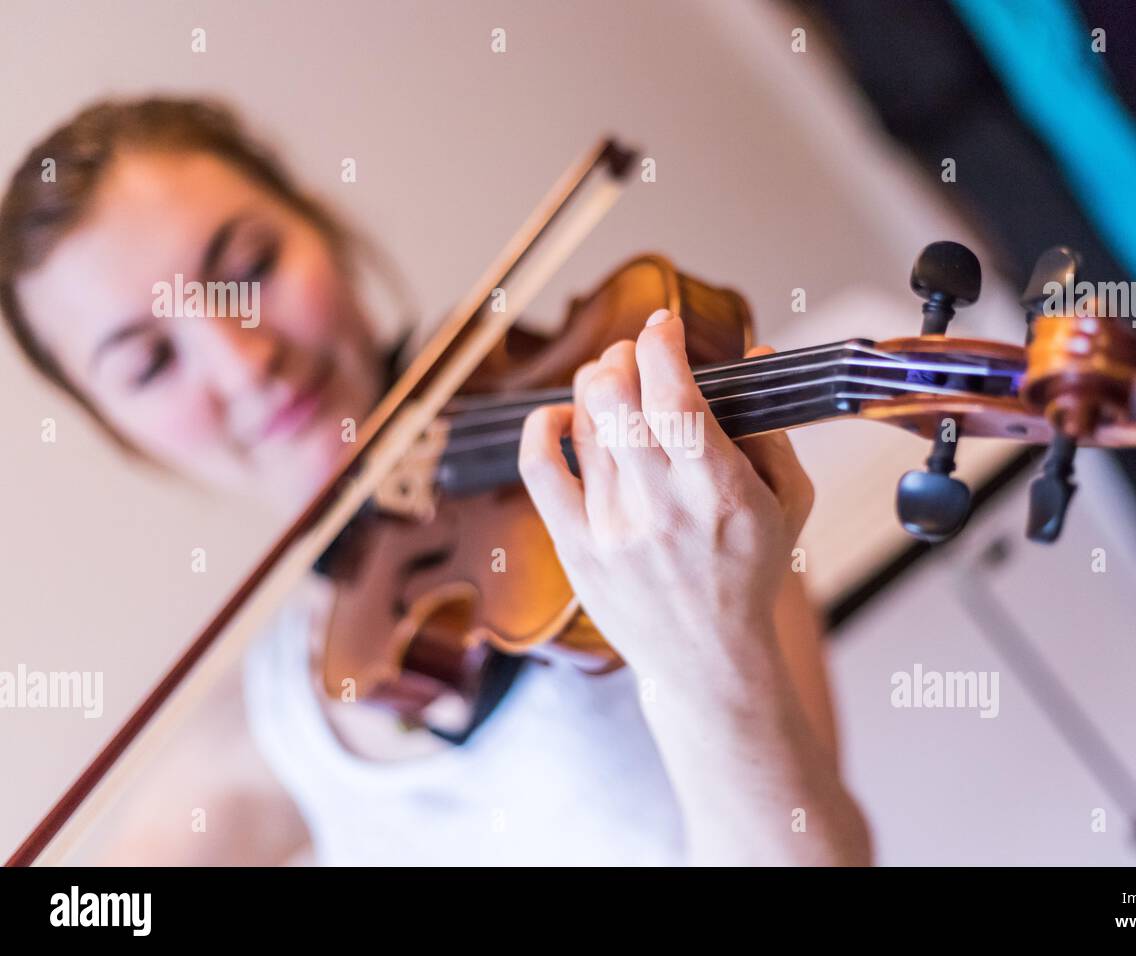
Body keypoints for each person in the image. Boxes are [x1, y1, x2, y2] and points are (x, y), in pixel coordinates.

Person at [0, 97, 872, 865]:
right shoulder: (265, 723)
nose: (245, 362)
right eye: (151, 361)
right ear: (122, 434)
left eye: (249, 272)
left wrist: (708, 650)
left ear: (322, 227)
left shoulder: (637, 482)